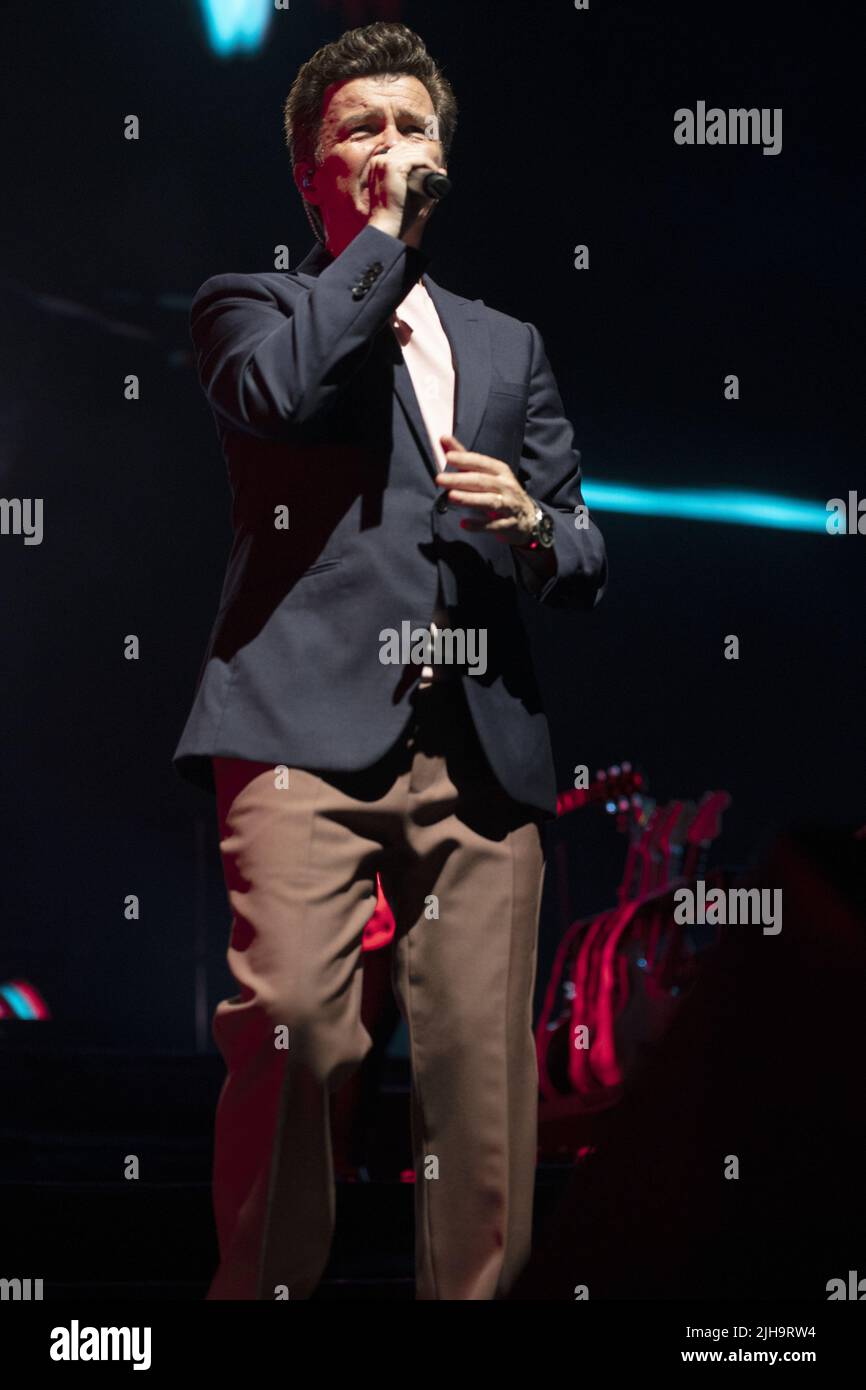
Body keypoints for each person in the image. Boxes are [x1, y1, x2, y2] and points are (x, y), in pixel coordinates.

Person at [173, 20, 607, 1300]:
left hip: (479, 749)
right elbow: (291, 399)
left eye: (411, 128)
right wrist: (378, 250)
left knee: (483, 1088)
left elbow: (586, 543)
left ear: (443, 156)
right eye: (358, 129)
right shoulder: (251, 306)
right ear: (309, 173)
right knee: (298, 1032)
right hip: (299, 729)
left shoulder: (506, 343)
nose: (389, 147)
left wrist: (535, 529)